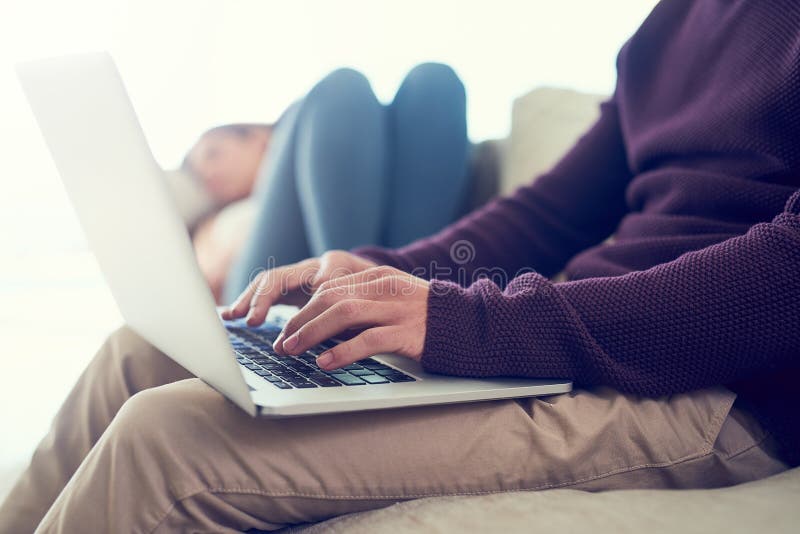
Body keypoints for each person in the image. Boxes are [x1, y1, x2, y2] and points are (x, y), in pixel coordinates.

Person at [2, 1, 799, 532]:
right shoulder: (678, 21)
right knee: (136, 353)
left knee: (165, 439)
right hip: (577, 333)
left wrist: (473, 322)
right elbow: (550, 213)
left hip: (711, 385)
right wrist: (379, 273)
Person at [181, 64, 471, 302]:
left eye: (213, 153)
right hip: (257, 289)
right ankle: (356, 298)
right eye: (197, 172)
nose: (206, 173)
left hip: (388, 256)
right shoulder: (212, 220)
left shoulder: (317, 145)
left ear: (260, 138)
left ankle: (408, 297)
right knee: (342, 87)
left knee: (434, 81)